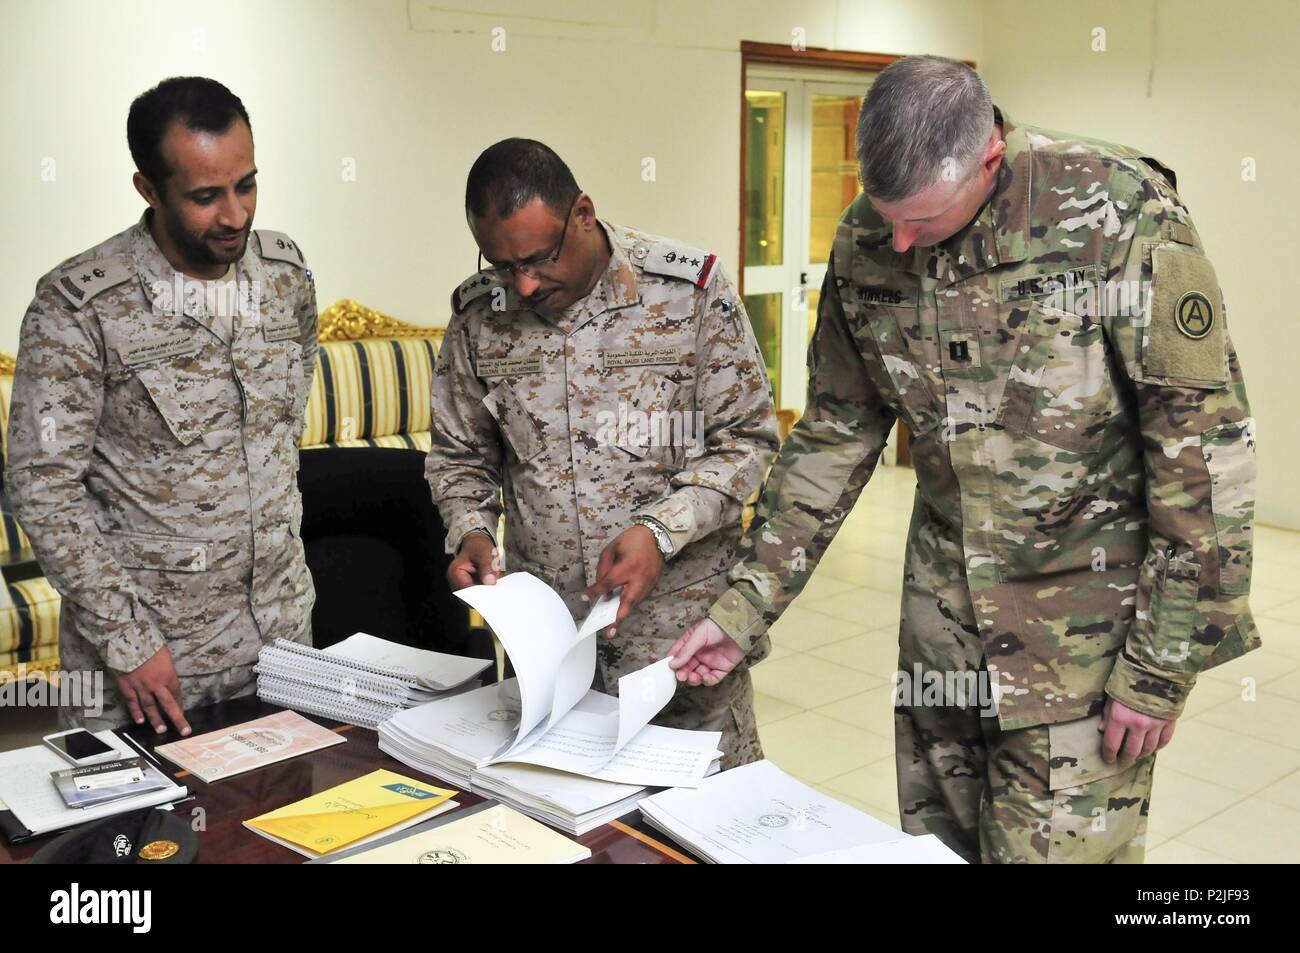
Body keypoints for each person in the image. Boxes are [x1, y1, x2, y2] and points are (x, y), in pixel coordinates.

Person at [668, 55, 1258, 861]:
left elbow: (1203, 452)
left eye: (923, 220)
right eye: (888, 217)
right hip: (940, 647)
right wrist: (742, 609)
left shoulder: (1119, 214)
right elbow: (836, 434)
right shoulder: (867, 236)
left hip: (1081, 653)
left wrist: (1160, 670)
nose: (900, 242)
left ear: (988, 156)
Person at [427, 139, 779, 766]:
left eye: (539, 258)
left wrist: (659, 530)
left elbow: (746, 440)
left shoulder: (687, 293)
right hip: (555, 653)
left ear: (582, 213)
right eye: (504, 265)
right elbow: (461, 455)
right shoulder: (481, 316)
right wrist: (472, 531)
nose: (525, 284)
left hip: (681, 649)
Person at [5, 76, 318, 736]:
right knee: (149, 840)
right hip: (153, 667)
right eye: (205, 196)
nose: (234, 215)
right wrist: (126, 640)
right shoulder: (81, 305)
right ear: (149, 188)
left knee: (291, 825)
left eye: (246, 184)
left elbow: (283, 432)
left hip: (285, 643)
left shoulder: (286, 275)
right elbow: (43, 487)